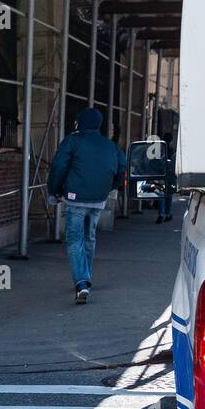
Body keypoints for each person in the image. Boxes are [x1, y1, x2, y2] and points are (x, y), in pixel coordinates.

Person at [47, 106, 126, 304]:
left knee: (75, 240)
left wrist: (54, 190)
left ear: (80, 122)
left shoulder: (73, 140)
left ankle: (81, 282)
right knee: (90, 237)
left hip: (76, 198)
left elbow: (58, 166)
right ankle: (86, 277)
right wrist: (109, 187)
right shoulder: (110, 145)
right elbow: (123, 168)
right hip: (98, 199)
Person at [157, 131, 176, 224]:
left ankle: (161, 214)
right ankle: (167, 214)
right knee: (169, 195)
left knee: (161, 194)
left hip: (161, 173)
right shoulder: (172, 150)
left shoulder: (158, 149)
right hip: (170, 175)